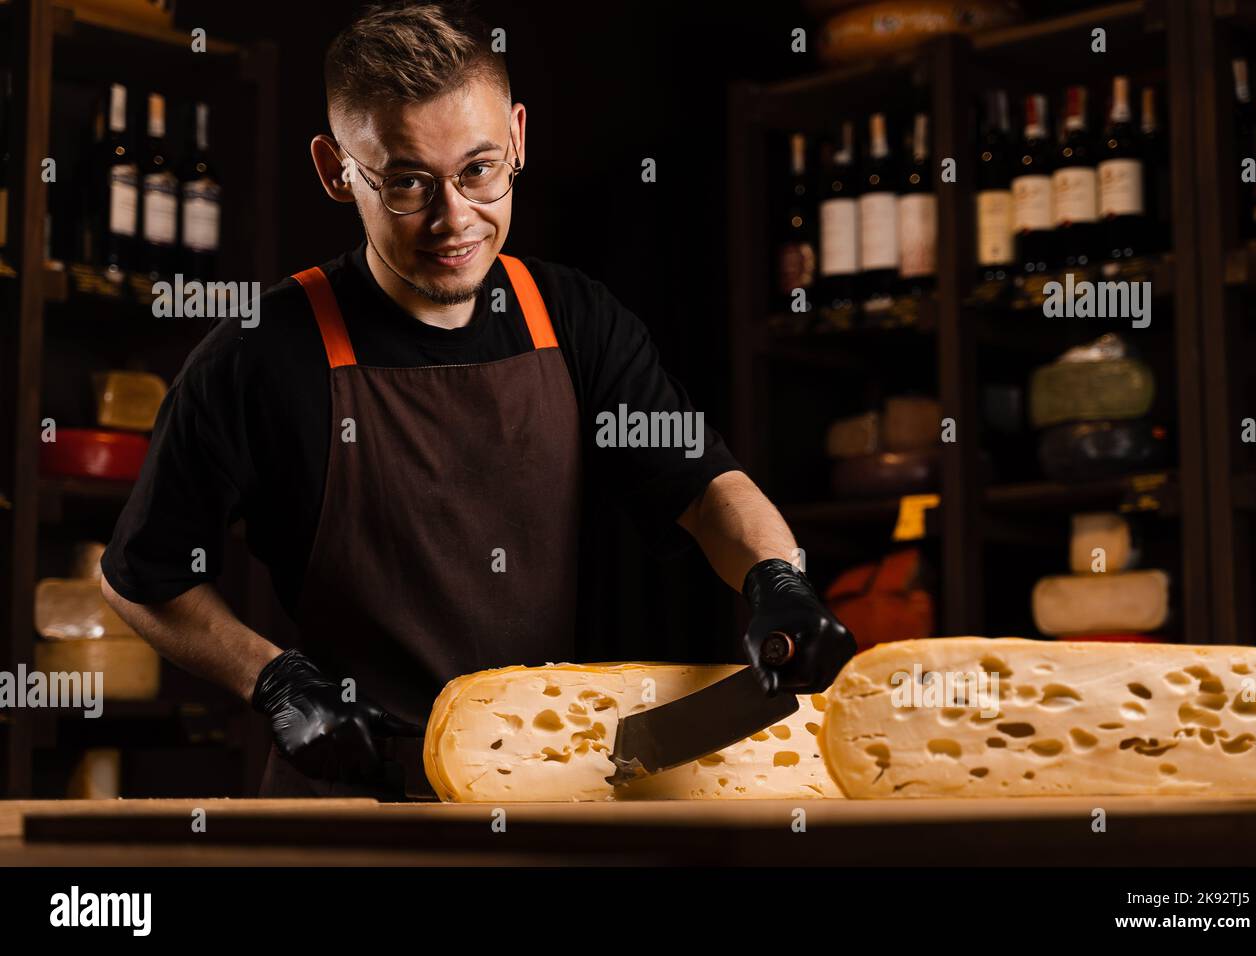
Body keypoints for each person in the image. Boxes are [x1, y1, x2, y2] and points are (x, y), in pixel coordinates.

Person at [100, 2, 854, 798]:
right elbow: (141, 577)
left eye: (479, 170)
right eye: (406, 183)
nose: (454, 218)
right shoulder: (259, 353)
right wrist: (276, 681)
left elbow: (704, 490)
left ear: (518, 139)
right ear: (335, 169)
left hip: (542, 786)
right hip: (349, 798)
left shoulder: (574, 320)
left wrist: (779, 581)